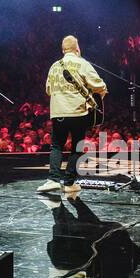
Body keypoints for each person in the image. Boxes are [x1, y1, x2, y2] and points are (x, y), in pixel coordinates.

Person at [38, 35, 107, 196]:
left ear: (63, 50)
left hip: (58, 112)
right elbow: (99, 85)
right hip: (78, 112)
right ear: (77, 48)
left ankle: (53, 180)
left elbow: (48, 90)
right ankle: (69, 183)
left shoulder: (54, 66)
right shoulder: (82, 63)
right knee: (77, 147)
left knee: (56, 146)